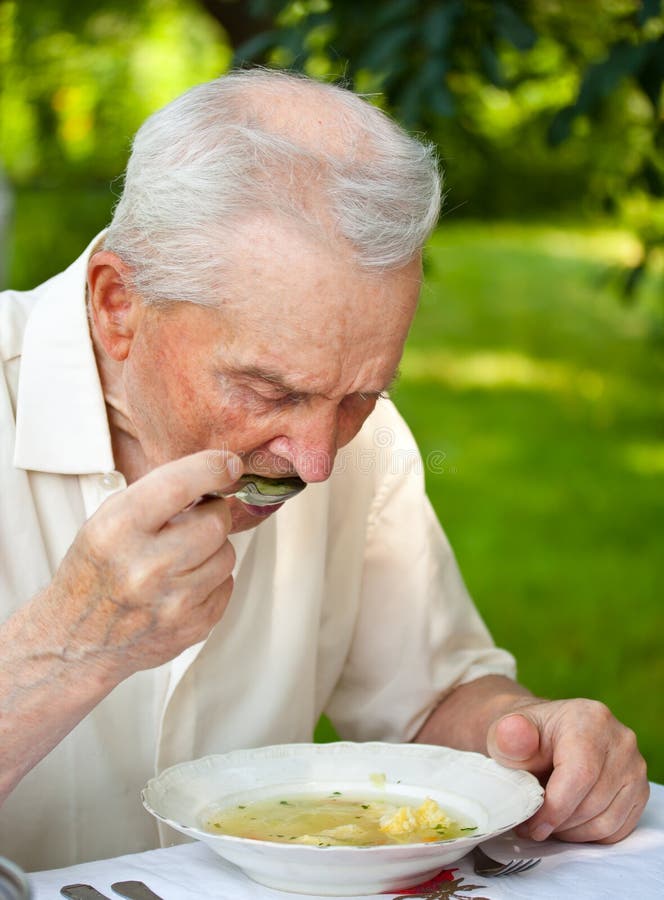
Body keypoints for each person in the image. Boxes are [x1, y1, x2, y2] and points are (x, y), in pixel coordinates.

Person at [0, 68, 648, 870]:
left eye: (360, 397)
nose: (316, 459)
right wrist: (67, 645)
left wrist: (530, 739)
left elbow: (432, 701)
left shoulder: (351, 435)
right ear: (118, 306)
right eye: (268, 388)